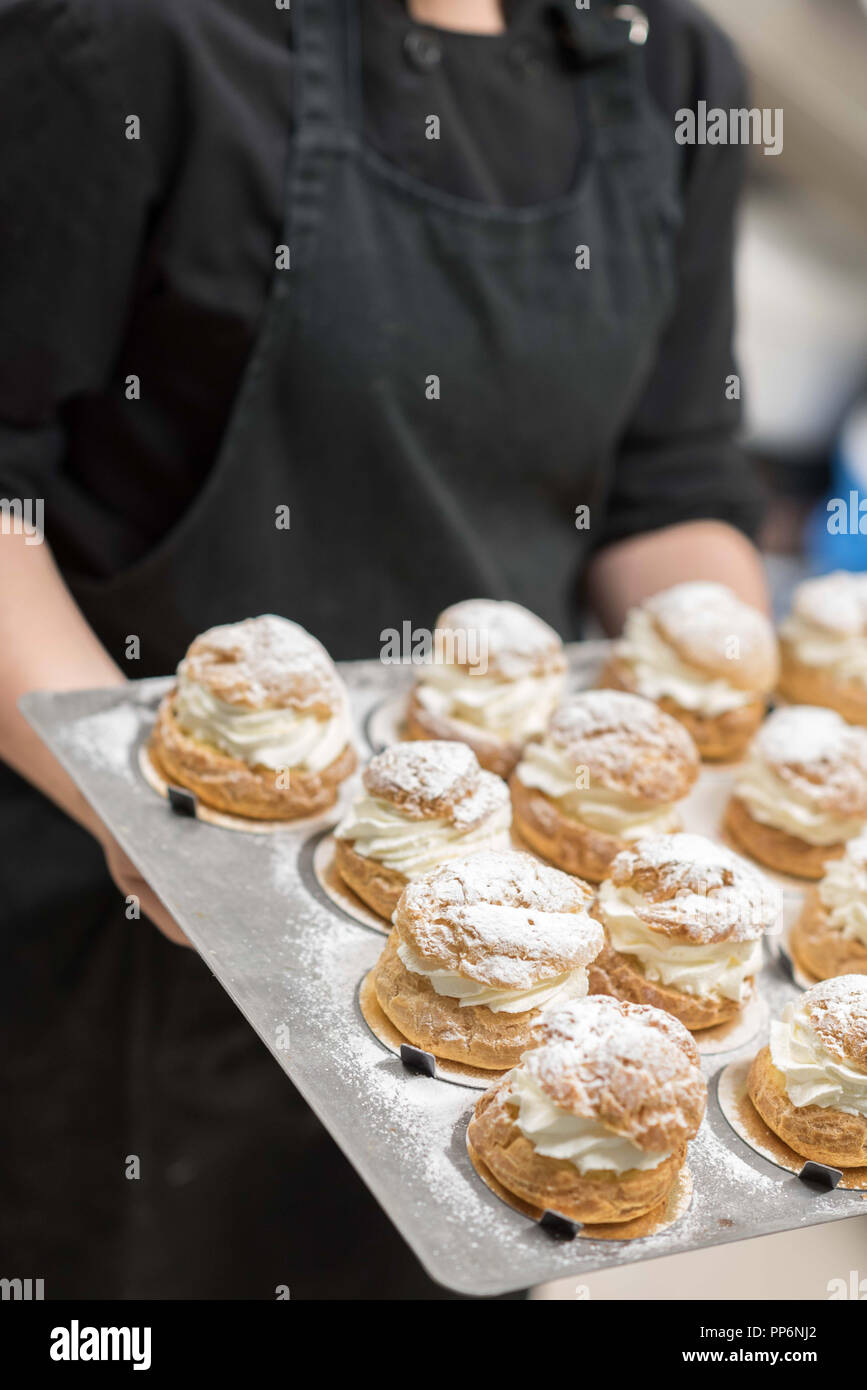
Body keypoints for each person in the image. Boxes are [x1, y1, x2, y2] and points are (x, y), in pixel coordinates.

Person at [0, 0, 768, 1299]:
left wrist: (725, 713)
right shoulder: (126, 40)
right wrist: (150, 805)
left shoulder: (671, 71)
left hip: (508, 958)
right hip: (112, 923)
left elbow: (667, 484)